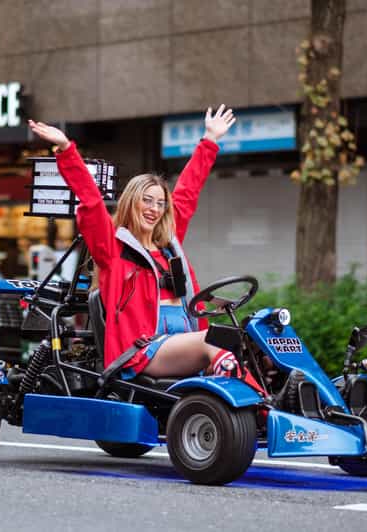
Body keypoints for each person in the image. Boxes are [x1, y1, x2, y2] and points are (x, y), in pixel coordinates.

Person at [28, 106, 265, 394]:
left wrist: (210, 139)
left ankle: (288, 401)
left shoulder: (169, 245)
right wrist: (66, 149)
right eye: (147, 201)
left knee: (256, 338)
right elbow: (91, 201)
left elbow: (188, 190)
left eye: (160, 203)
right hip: (142, 350)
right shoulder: (113, 248)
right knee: (213, 341)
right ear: (132, 203)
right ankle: (263, 410)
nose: (154, 209)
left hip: (184, 338)